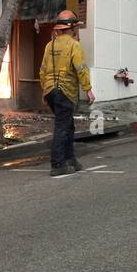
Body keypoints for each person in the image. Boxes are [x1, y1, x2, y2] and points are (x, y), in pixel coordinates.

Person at [39, 9, 94, 178]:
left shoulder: (50, 45)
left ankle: (70, 160)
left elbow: (43, 70)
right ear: (71, 28)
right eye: (76, 27)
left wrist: (44, 91)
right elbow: (81, 69)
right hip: (65, 91)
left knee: (68, 125)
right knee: (63, 127)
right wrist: (88, 89)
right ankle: (57, 164)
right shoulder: (74, 45)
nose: (77, 30)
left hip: (50, 91)